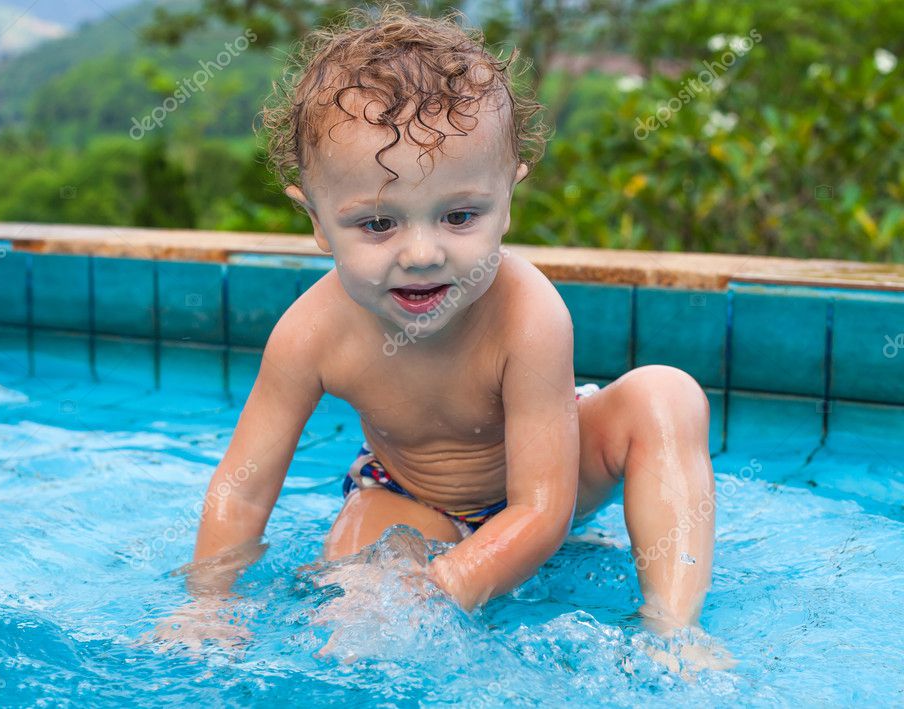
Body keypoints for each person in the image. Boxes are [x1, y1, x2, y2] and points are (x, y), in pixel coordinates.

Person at [157, 4, 729, 672]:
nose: (423, 253)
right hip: (412, 496)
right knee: (355, 604)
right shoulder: (310, 334)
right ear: (316, 220)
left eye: (460, 215)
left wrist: (449, 584)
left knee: (668, 394)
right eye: (377, 224)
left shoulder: (529, 315)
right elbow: (243, 488)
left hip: (554, 480)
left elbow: (543, 511)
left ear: (508, 198)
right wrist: (207, 601)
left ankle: (673, 630)